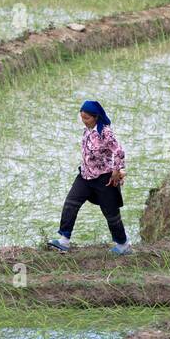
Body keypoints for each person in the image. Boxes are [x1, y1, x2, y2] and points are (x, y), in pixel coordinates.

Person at [47, 100, 132, 254]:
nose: (83, 121)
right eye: (82, 117)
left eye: (86, 118)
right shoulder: (87, 130)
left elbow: (119, 151)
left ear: (96, 117)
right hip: (85, 176)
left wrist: (116, 170)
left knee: (111, 214)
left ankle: (123, 245)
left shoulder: (105, 132)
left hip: (104, 178)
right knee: (71, 203)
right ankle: (64, 240)